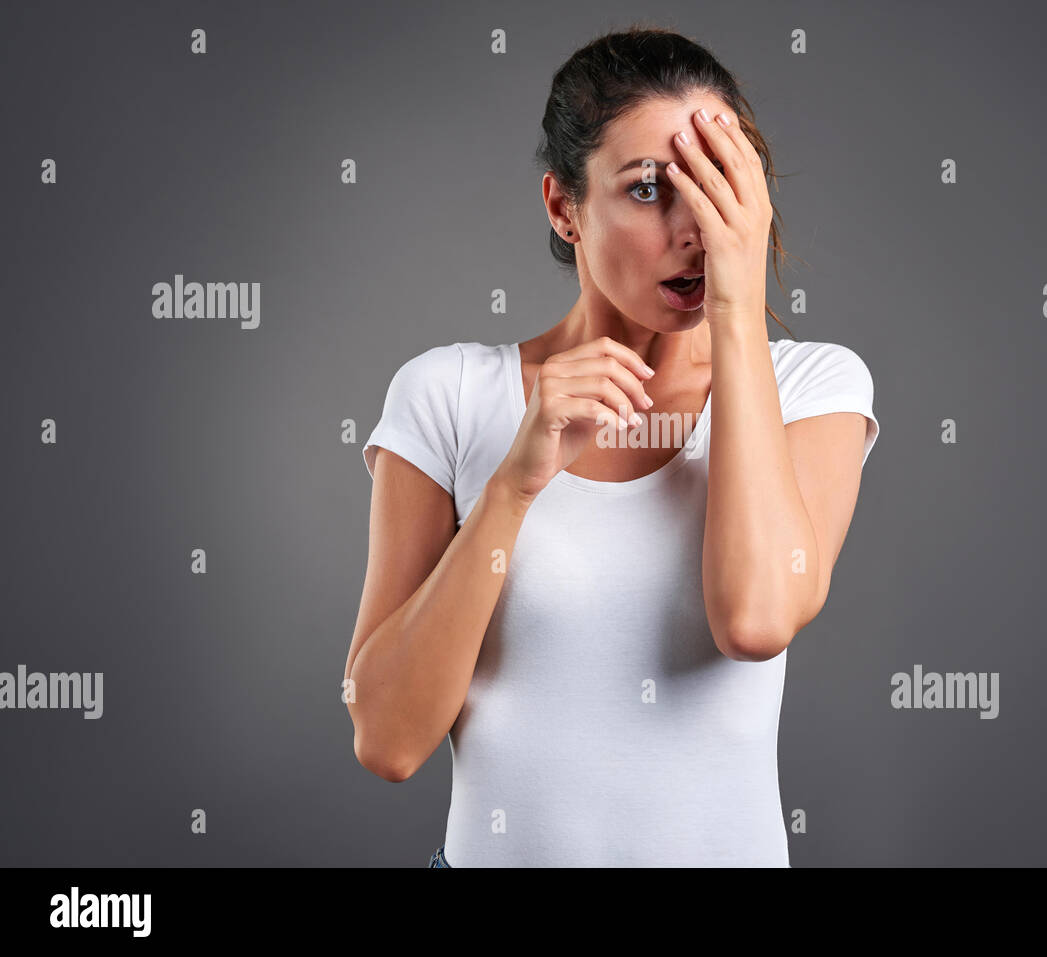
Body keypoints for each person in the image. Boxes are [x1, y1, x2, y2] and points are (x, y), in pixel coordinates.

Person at [344, 25, 881, 867]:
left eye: (716, 186)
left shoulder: (814, 388)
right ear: (563, 206)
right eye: (647, 189)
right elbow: (387, 739)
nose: (694, 228)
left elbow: (754, 617)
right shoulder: (448, 394)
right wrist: (513, 486)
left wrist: (739, 308)